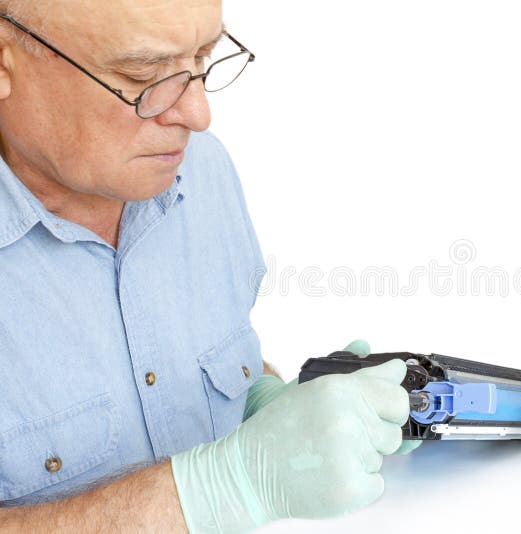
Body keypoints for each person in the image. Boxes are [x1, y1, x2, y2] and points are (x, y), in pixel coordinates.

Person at [0, 1, 419, 532]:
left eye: (201, 58)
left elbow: (207, 357)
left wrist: (266, 405)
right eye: (144, 75)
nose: (198, 115)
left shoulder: (199, 169)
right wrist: (222, 488)